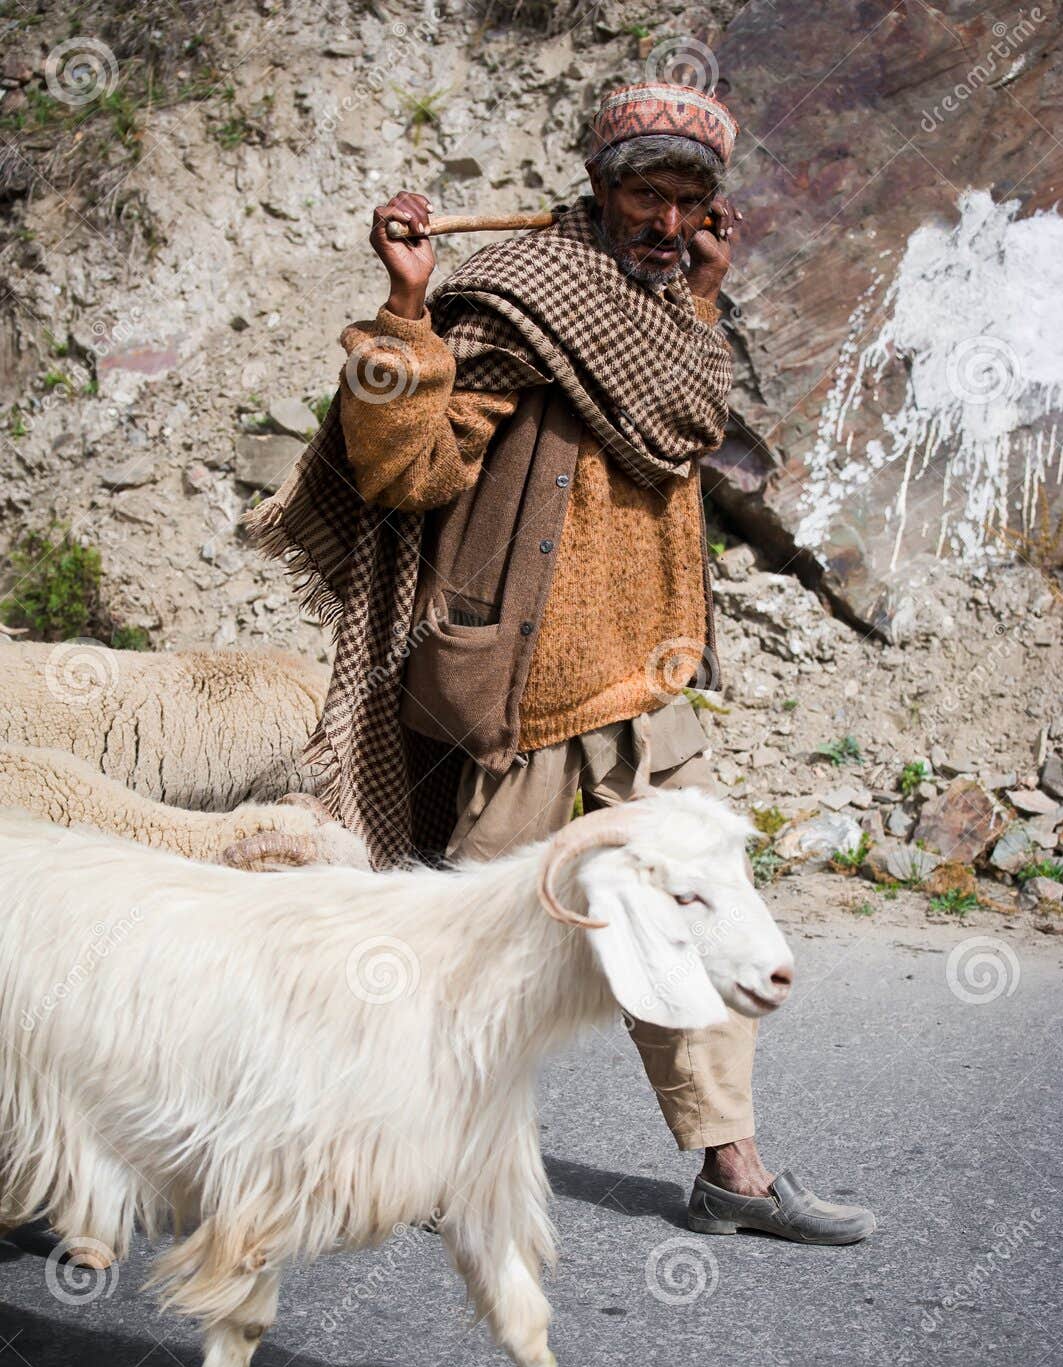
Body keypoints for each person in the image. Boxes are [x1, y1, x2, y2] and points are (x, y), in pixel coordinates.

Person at [254, 83, 875, 1245]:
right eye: (648, 195)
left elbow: (689, 421)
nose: (669, 222)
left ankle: (731, 1170)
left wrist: (703, 295)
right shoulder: (520, 300)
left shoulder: (674, 317)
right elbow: (405, 471)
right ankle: (411, 1151)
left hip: (645, 688)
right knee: (475, 949)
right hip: (524, 690)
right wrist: (407, 308)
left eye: (689, 201)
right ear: (600, 184)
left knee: (701, 913)